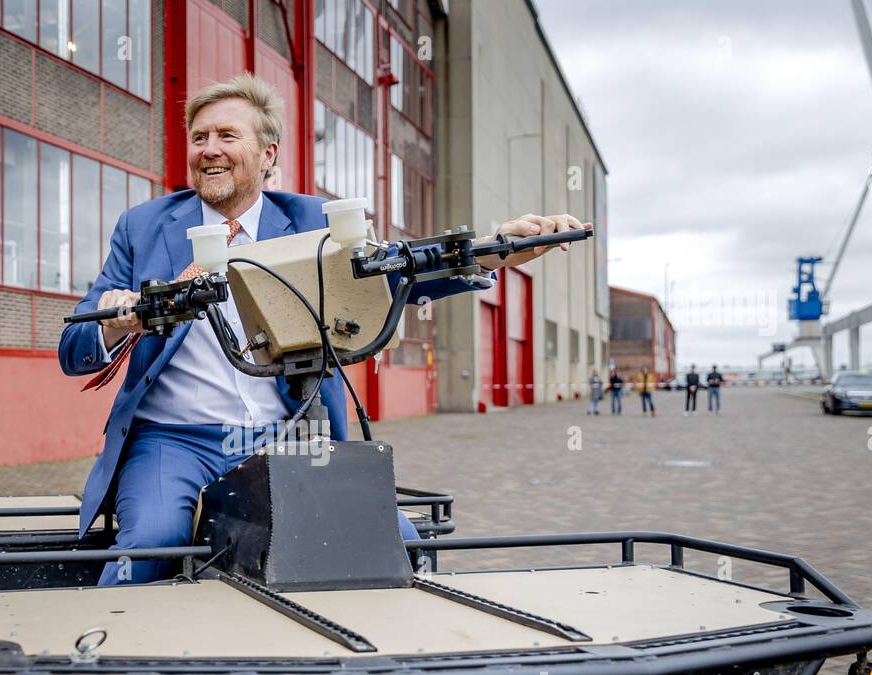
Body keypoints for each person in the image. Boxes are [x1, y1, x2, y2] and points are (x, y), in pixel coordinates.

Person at [59, 74, 587, 585]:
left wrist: (496, 248)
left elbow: (397, 273)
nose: (209, 148)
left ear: (268, 155)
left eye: (227, 135)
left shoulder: (314, 219)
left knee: (398, 542)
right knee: (152, 541)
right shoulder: (144, 226)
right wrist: (117, 321)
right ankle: (109, 661)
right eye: (199, 137)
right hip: (172, 439)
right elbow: (75, 347)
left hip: (287, 436)